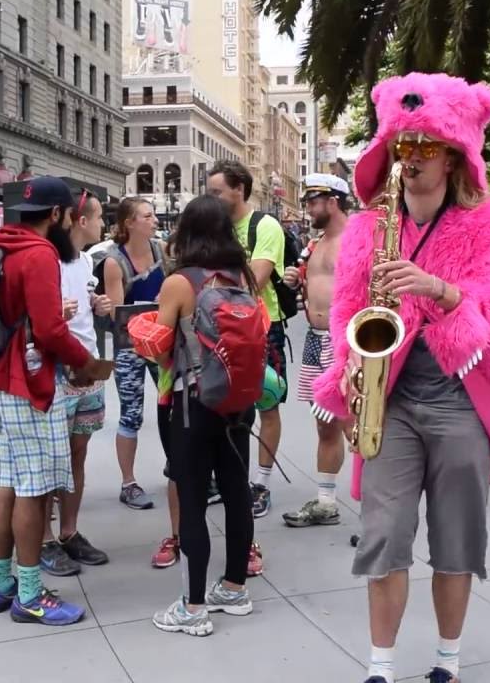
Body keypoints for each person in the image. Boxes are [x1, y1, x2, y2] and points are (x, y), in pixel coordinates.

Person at [308, 73, 490, 683]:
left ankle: (447, 663)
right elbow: (349, 308)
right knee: (382, 535)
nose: (413, 157)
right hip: (392, 400)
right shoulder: (370, 227)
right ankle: (380, 668)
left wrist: (440, 290)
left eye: (427, 146)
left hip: (462, 396)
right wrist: (350, 366)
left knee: (458, 537)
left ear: (454, 156)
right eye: (404, 145)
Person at [0, 176, 113, 627]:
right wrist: (87, 364)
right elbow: (51, 329)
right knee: (34, 491)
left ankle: (1, 583)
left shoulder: (3, 243)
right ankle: (30, 594)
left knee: (9, 480)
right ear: (57, 215)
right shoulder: (38, 253)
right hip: (29, 380)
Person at [143, 194, 261, 636]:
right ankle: (234, 588)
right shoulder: (240, 277)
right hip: (238, 402)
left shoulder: (180, 283)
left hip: (193, 404)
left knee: (192, 499)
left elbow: (158, 348)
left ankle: (192, 607)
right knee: (236, 492)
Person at [206, 161, 282, 575]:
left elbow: (256, 280)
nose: (212, 197)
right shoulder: (215, 226)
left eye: (218, 191)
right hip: (220, 331)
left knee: (266, 405)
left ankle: (261, 482)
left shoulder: (263, 226)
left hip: (261, 329)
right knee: (227, 410)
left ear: (239, 189)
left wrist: (209, 286)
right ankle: (227, 478)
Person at [40, 190, 116, 576]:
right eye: (100, 217)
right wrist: (57, 313)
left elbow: (86, 310)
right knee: (50, 459)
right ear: (81, 220)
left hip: (88, 368)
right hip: (56, 372)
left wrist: (98, 306)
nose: (104, 224)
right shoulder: (47, 261)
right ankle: (43, 539)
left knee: (77, 453)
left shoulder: (87, 261)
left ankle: (69, 531)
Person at [281, 173, 351, 527]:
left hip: (346, 342)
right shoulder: (315, 243)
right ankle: (326, 502)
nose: (307, 208)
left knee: (356, 425)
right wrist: (298, 280)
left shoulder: (357, 240)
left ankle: (382, 510)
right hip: (315, 338)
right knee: (325, 424)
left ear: (333, 201)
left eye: (312, 201)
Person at [101, 197, 165, 513]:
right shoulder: (115, 261)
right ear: (129, 222)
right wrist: (149, 311)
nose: (155, 221)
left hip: (161, 341)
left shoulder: (160, 250)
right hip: (130, 346)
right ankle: (128, 483)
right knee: (131, 413)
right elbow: (117, 312)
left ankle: (177, 465)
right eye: (147, 216)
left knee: (171, 406)